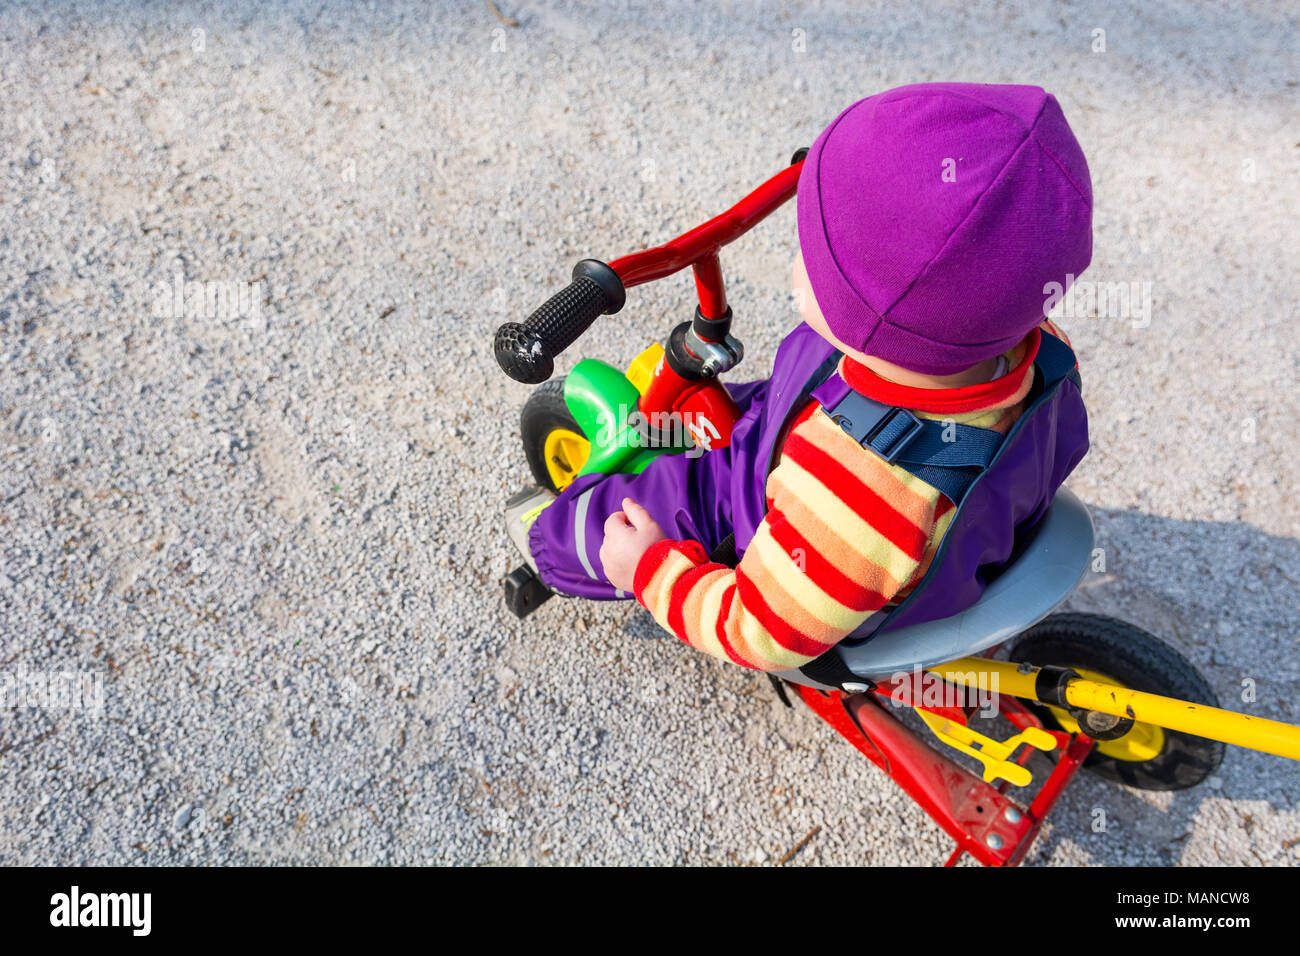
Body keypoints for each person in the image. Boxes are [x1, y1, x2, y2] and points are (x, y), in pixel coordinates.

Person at [513, 82, 1093, 674]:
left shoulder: (862, 495)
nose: (799, 262)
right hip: (856, 439)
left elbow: (759, 630)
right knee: (761, 398)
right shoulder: (1030, 344)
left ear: (871, 319)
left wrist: (651, 570)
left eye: (814, 256)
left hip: (790, 518)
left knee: (599, 523)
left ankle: (548, 548)